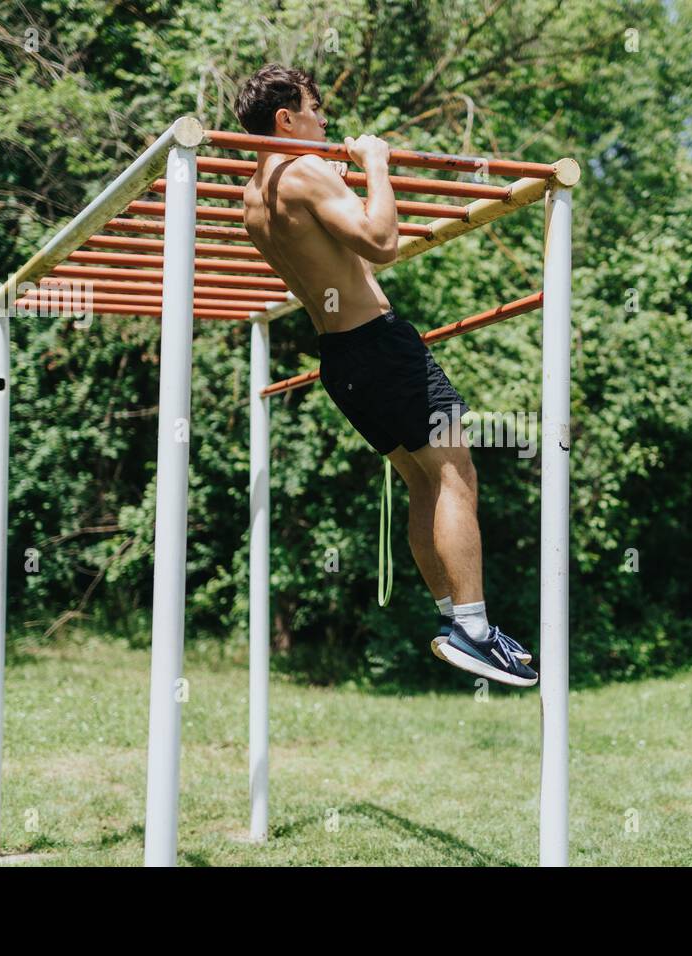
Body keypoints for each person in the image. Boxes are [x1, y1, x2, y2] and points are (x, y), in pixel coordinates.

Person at [234, 63, 536, 688]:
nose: (326, 122)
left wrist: (340, 179)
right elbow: (382, 241)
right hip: (379, 346)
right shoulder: (306, 170)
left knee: (422, 484)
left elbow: (326, 244)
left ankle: (457, 618)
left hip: (341, 359)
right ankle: (476, 632)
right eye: (316, 110)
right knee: (456, 473)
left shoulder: (254, 196)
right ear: (286, 119)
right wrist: (375, 163)